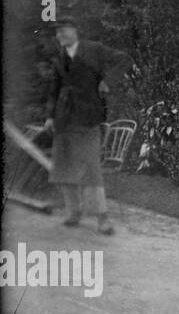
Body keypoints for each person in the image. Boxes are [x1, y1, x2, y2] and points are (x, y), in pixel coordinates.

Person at [41, 18, 132, 235]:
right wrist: (50, 117)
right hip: (64, 120)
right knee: (63, 167)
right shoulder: (60, 59)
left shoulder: (94, 49)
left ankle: (102, 218)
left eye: (62, 31)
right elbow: (54, 91)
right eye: (57, 32)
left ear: (75, 30)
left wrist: (108, 81)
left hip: (88, 119)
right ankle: (74, 212)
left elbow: (125, 59)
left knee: (91, 169)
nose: (59, 35)